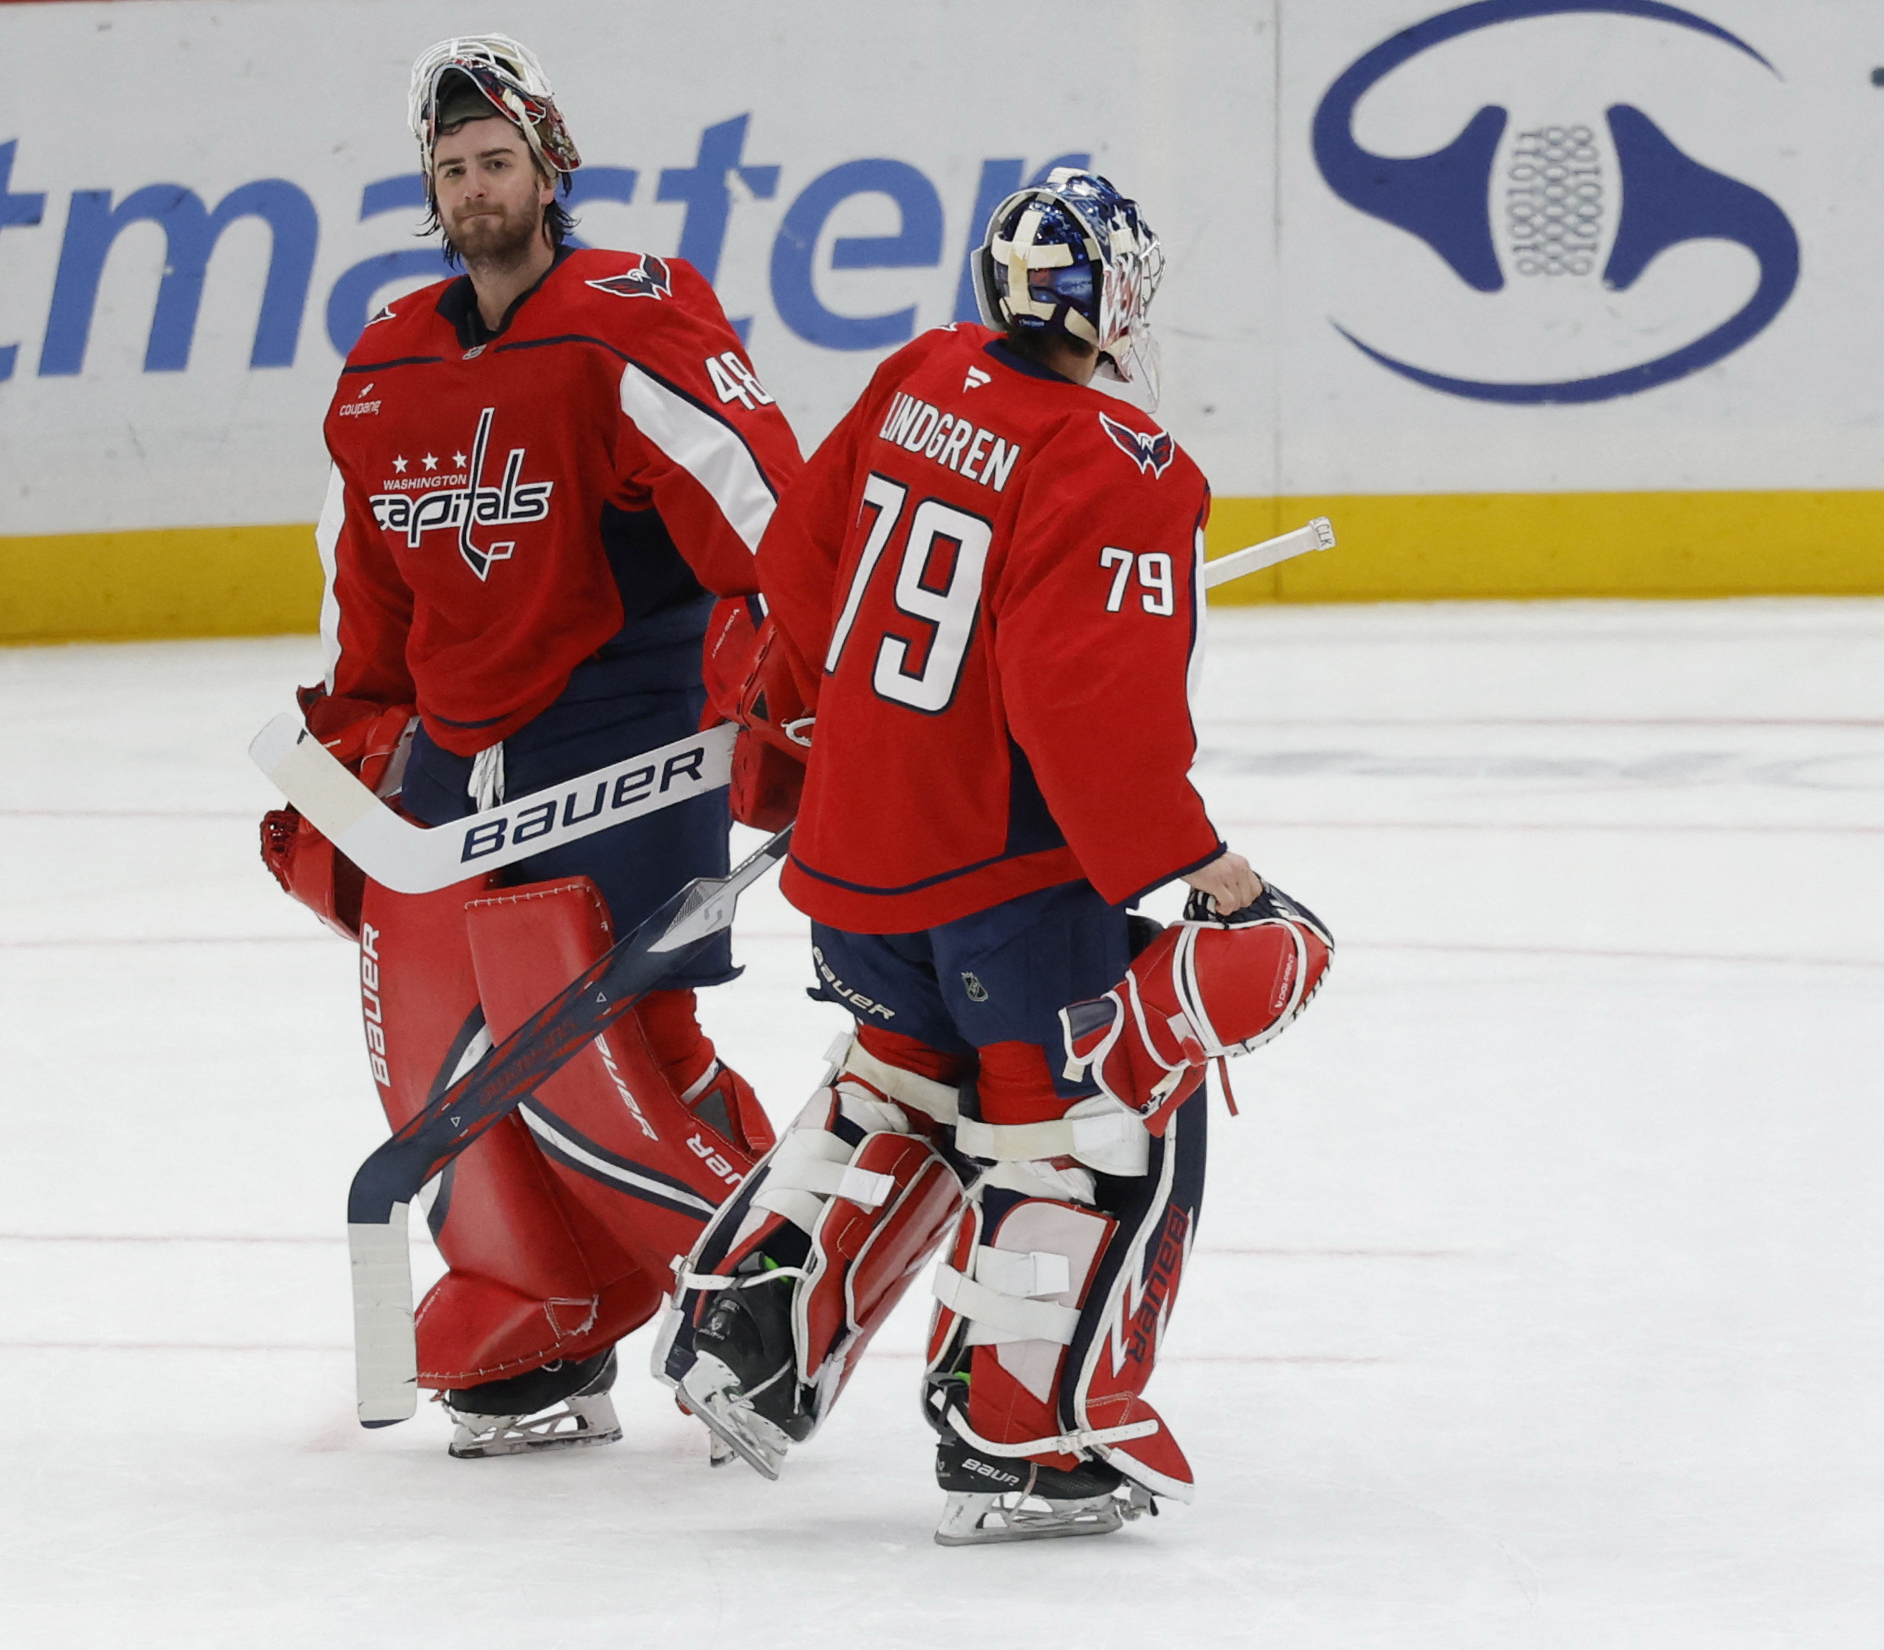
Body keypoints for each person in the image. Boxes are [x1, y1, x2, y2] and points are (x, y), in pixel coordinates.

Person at [653, 170, 1332, 1544]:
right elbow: (1079, 701)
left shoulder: (918, 373)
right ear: (1113, 296)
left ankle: (755, 1323)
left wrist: (796, 750)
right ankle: (1023, 1430)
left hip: (858, 865)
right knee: (1075, 1130)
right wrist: (1193, 861)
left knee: (897, 1091)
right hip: (1006, 887)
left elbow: (800, 568)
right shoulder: (1123, 463)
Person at [258, 35, 802, 1460]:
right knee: (438, 1061)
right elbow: (365, 588)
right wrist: (354, 753)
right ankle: (534, 1295)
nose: (472, 189)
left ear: (548, 174)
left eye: (495, 161)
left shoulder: (630, 317)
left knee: (621, 1040)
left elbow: (766, 516)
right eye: (450, 170)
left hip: (618, 742)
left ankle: (774, 1279)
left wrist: (784, 671)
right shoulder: (385, 363)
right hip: (452, 761)